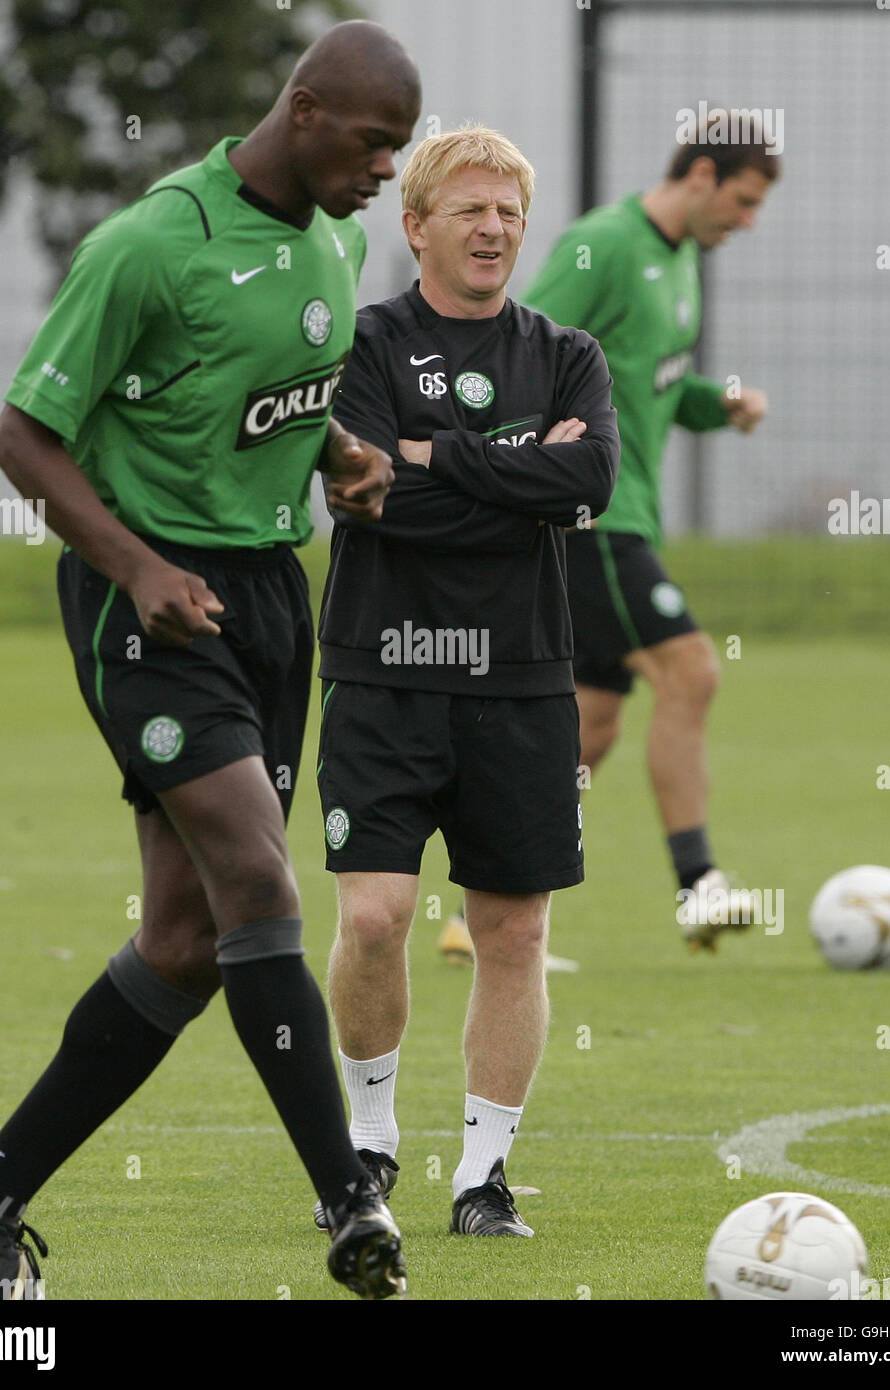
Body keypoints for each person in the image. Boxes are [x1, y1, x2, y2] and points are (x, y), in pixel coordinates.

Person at [0, 20, 421, 1302]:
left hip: (264, 598)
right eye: (372, 146)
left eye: (398, 153)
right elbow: (25, 438)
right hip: (145, 601)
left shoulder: (335, 239)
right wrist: (136, 565)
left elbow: (274, 403)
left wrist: (339, 458)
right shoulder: (147, 247)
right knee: (258, 880)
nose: (386, 177)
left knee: (188, 939)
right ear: (303, 114)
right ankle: (350, 1196)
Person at [314, 126, 618, 1237]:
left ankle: (483, 1177)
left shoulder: (569, 353)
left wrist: (437, 454)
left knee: (514, 931)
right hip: (380, 672)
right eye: (470, 211)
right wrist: (518, 470)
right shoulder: (365, 346)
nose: (494, 229)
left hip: (526, 680)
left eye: (509, 213)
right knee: (379, 916)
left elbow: (587, 484)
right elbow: (366, 493)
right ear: (415, 227)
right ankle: (369, 1144)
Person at [524, 111, 779, 951]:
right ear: (700, 172)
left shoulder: (682, 261)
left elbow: (652, 386)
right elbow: (519, 351)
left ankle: (485, 901)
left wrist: (719, 405)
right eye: (742, 200)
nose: (747, 221)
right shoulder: (603, 243)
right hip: (592, 515)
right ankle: (698, 881)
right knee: (692, 672)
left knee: (592, 724)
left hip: (629, 513)